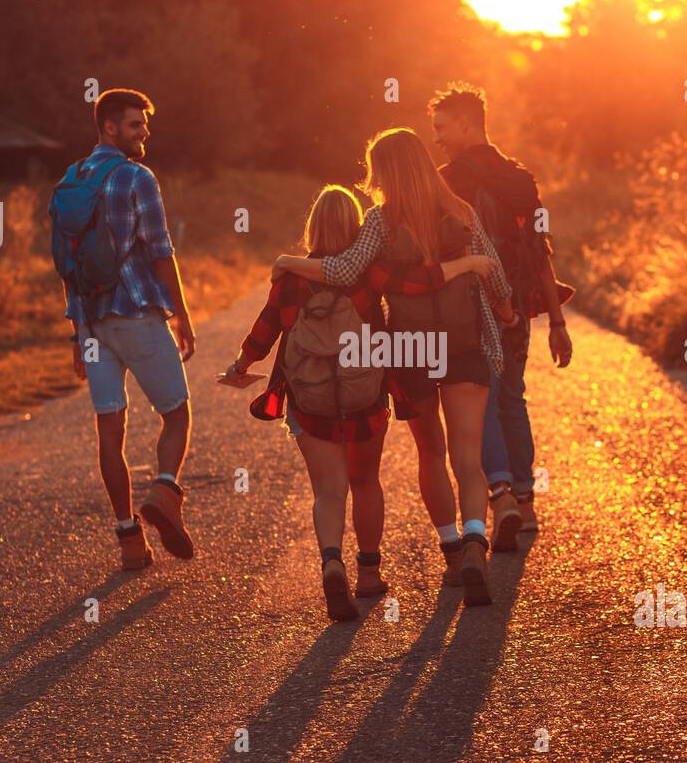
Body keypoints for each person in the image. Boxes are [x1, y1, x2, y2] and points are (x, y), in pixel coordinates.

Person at [274, 129, 517, 607]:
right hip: (465, 347)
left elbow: (344, 271)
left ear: (384, 172)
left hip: (409, 351)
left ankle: (450, 550)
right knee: (467, 457)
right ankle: (474, 543)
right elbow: (497, 279)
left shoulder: (380, 223)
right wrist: (506, 315)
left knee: (432, 452)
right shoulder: (462, 213)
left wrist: (288, 261)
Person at [229, 185, 495, 620]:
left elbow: (265, 329)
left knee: (328, 490)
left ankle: (332, 562)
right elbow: (416, 283)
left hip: (309, 399)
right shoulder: (369, 271)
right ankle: (369, 574)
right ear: (356, 227)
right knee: (365, 481)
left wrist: (240, 365)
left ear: (312, 225)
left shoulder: (290, 276)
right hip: (364, 395)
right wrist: (467, 265)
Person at [428, 83, 575, 550]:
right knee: (513, 398)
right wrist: (556, 321)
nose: (437, 139)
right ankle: (526, 505)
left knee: (480, 404)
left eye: (442, 128)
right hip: (517, 311)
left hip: (468, 311)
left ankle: (501, 496)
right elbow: (539, 252)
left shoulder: (446, 181)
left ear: (468, 123)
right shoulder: (521, 179)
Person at [57, 88, 197, 570]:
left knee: (109, 430)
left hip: (93, 324)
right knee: (176, 412)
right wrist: (181, 314)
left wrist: (78, 335)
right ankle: (164, 490)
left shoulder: (71, 178)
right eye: (135, 125)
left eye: (145, 124)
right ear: (110, 127)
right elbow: (161, 251)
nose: (144, 133)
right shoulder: (137, 177)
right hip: (136, 314)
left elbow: (68, 267)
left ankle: (128, 539)